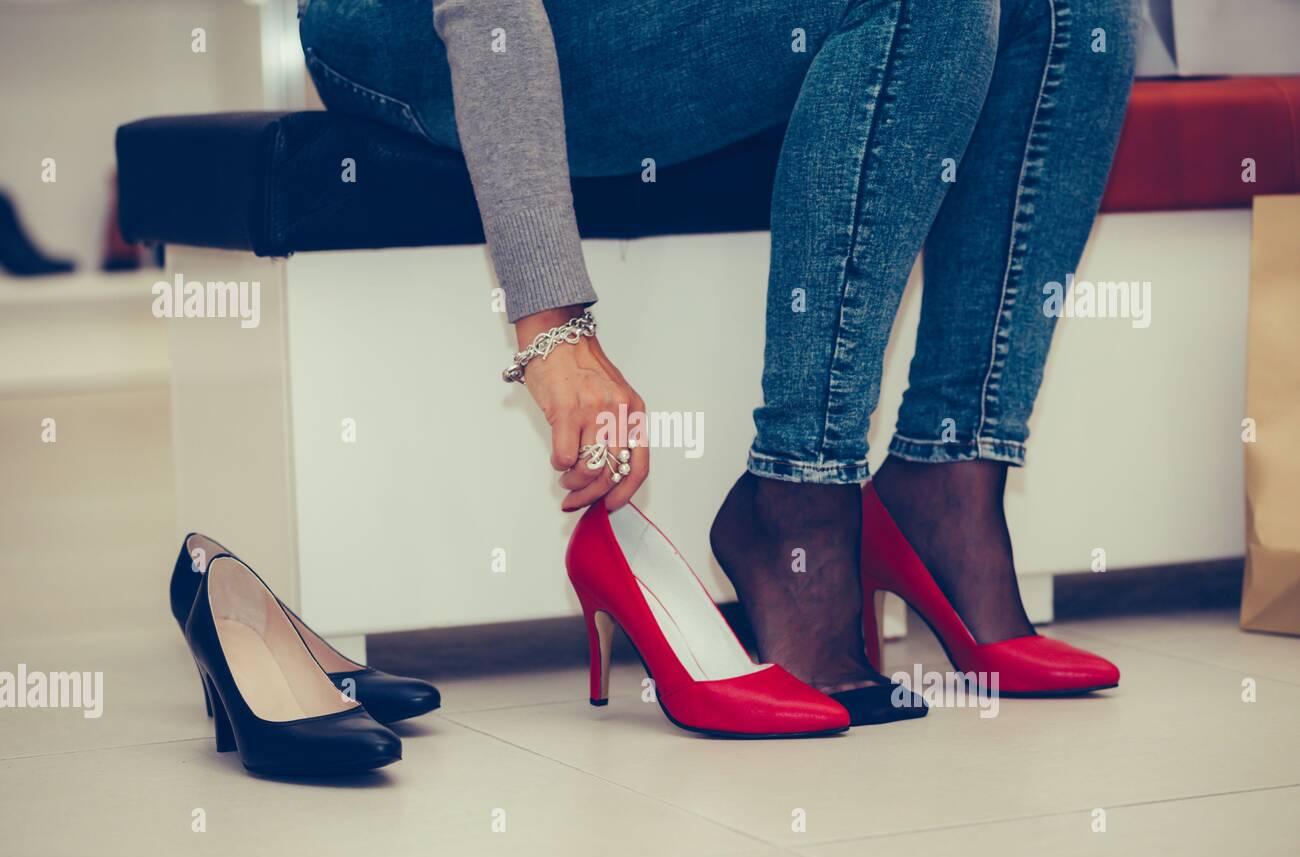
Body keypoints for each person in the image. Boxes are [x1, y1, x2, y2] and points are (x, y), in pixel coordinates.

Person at [297, 0, 1136, 724]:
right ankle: (797, 500)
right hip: (414, 28)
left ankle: (948, 479)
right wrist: (553, 324)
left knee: (1082, 11)